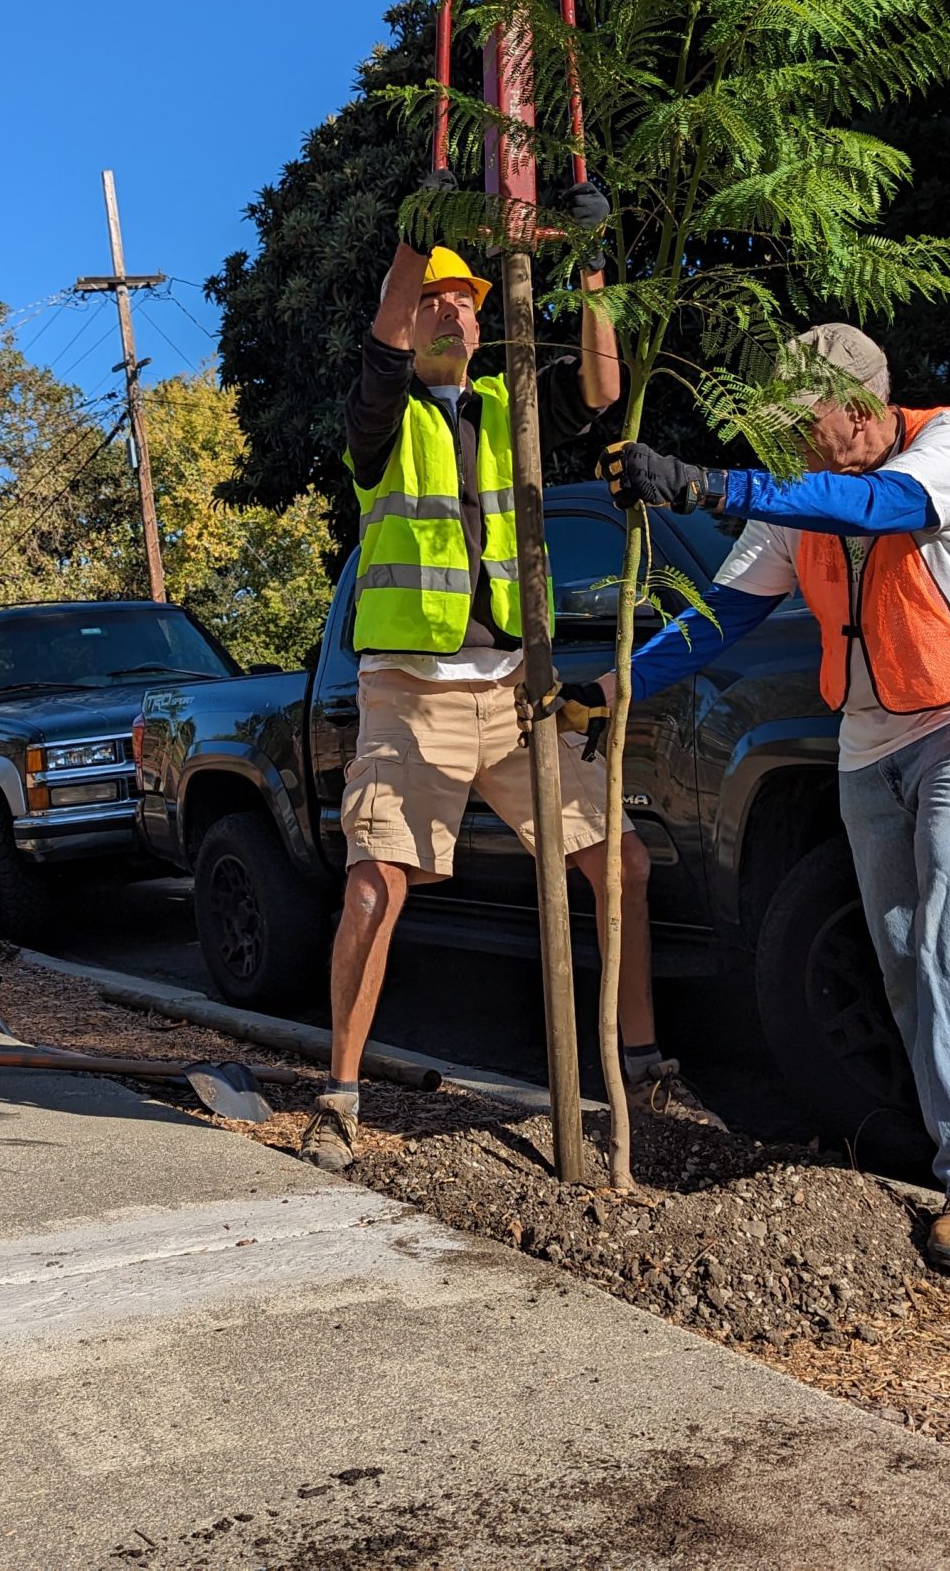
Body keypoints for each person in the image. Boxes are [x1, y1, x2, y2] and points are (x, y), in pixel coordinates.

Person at [600, 324, 950, 1277]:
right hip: (873, 730)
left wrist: (709, 482)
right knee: (900, 949)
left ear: (857, 408)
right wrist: (613, 691)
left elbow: (883, 506)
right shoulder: (800, 501)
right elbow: (723, 615)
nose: (790, 444)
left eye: (800, 423)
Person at [301, 177, 669, 1173]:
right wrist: (417, 236)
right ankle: (337, 1093)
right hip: (407, 693)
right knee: (376, 887)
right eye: (435, 296)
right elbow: (381, 337)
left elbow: (600, 393)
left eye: (465, 298)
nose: (451, 309)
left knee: (619, 865)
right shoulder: (381, 417)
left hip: (513, 691)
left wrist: (592, 271)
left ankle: (642, 1065)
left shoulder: (511, 408)